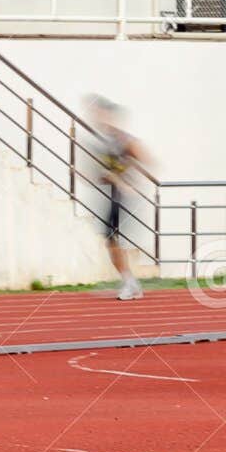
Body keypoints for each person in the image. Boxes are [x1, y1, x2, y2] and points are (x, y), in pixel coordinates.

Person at [88, 96, 149, 301]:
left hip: (123, 196)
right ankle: (130, 283)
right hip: (113, 194)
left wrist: (128, 180)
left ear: (110, 115)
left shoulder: (124, 140)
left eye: (99, 113)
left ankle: (130, 284)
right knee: (110, 239)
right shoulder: (104, 142)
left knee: (114, 239)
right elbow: (101, 173)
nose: (96, 117)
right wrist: (107, 176)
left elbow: (145, 158)